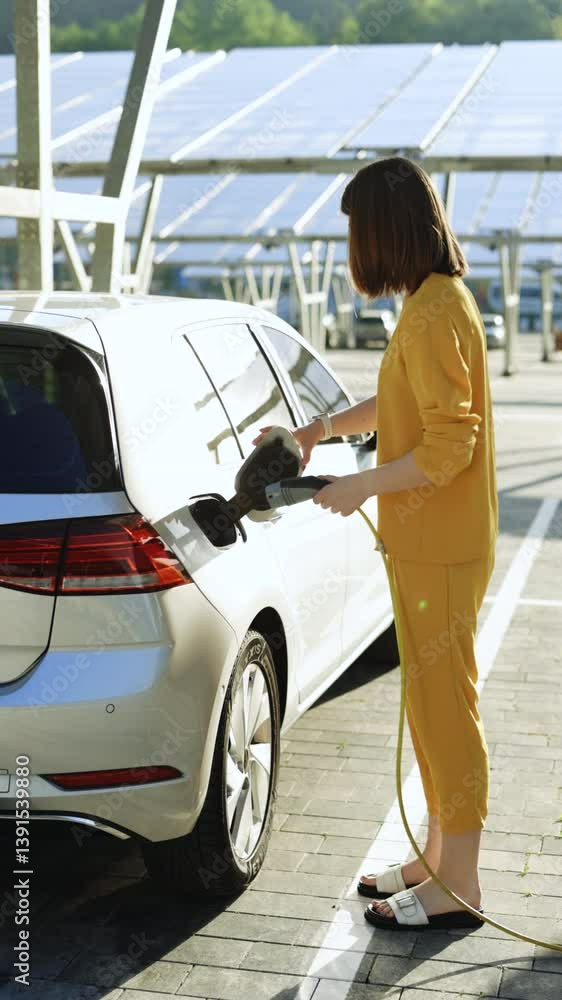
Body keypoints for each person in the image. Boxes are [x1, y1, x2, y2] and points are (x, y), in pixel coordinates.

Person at [252, 156, 498, 931]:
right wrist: (321, 430)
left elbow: (451, 444)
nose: (356, 247)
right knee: (430, 708)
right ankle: (436, 859)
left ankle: (459, 886)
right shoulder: (432, 303)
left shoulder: (432, 314)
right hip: (432, 544)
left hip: (443, 546)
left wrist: (361, 486)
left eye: (359, 230)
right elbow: (404, 408)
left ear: (385, 232)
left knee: (447, 711)